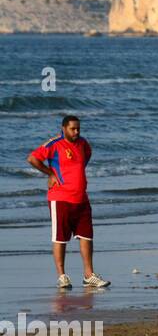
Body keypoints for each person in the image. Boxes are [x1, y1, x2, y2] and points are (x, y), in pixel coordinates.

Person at [27, 115, 110, 291]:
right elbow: (33, 159)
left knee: (87, 236)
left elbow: (86, 156)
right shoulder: (54, 144)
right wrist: (50, 173)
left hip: (81, 197)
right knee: (60, 238)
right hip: (60, 198)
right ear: (63, 128)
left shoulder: (83, 143)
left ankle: (89, 275)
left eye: (78, 128)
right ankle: (62, 276)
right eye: (73, 129)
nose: (76, 132)